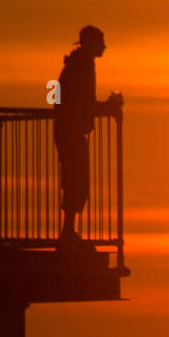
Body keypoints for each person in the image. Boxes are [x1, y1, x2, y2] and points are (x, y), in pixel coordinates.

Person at [53, 25, 121, 250]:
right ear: (91, 44)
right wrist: (108, 107)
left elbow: (80, 103)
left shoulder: (78, 65)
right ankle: (68, 232)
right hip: (70, 131)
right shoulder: (82, 67)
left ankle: (69, 231)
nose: (104, 47)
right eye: (101, 42)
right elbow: (83, 104)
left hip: (69, 130)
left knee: (75, 180)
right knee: (76, 180)